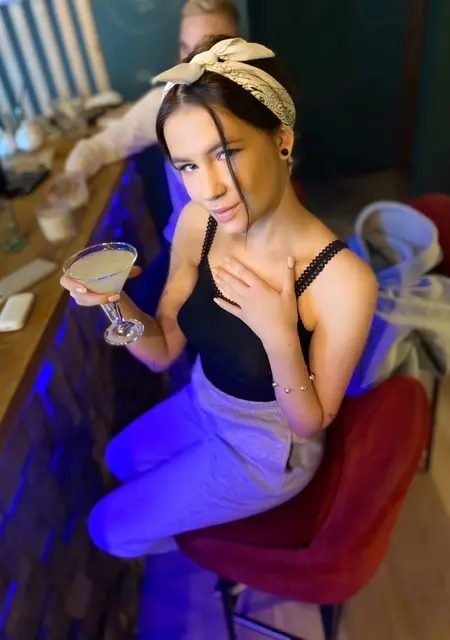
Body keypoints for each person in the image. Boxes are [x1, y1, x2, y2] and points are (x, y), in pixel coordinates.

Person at [61, 36, 378, 559]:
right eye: (187, 166)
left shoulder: (342, 280)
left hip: (269, 448)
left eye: (225, 153)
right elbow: (163, 349)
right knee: (120, 458)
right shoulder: (198, 223)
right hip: (205, 401)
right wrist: (114, 302)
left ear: (281, 140)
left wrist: (278, 335)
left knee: (108, 530)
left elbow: (311, 421)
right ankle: (196, 504)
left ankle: (213, 533)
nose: (208, 189)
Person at [62, 0, 240, 315]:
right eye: (186, 50)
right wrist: (72, 177)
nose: (194, 64)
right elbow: (101, 146)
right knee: (141, 307)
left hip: (243, 248)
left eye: (209, 51)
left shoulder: (257, 106)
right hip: (183, 247)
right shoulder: (164, 104)